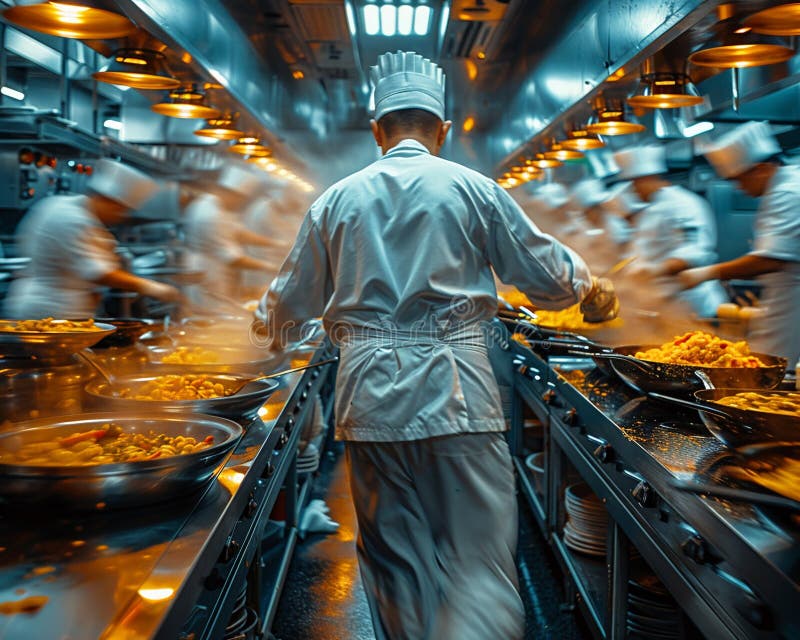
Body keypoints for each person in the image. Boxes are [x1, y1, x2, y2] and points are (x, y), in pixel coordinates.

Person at [256, 50, 619, 640]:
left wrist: (260, 329)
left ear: (377, 131)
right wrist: (589, 284)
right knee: (476, 561)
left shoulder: (336, 199)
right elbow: (547, 278)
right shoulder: (474, 189)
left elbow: (285, 307)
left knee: (395, 562)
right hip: (458, 391)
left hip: (369, 397)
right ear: (443, 131)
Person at [681, 121, 800, 365]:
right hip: (784, 302)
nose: (739, 188)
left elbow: (770, 259)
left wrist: (707, 273)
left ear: (761, 169)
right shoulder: (782, 188)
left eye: (740, 179)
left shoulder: (787, 193)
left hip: (792, 304)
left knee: (773, 372)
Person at [4, 158, 179, 319]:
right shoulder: (72, 219)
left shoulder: (61, 206)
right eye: (120, 210)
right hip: (50, 312)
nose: (120, 217)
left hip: (60, 310)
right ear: (107, 200)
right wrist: (155, 288)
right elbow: (100, 273)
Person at [613, 144, 727, 317]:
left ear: (649, 178)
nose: (633, 191)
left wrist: (654, 270)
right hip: (661, 307)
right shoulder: (649, 210)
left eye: (635, 184)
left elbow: (694, 253)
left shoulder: (684, 204)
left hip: (692, 307)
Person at [183, 164, 282, 304]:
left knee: (220, 306)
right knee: (212, 311)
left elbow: (239, 233)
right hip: (208, 271)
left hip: (210, 266)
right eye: (240, 199)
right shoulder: (212, 215)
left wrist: (275, 244)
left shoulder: (212, 202)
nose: (241, 203)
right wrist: (270, 267)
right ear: (231, 193)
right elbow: (234, 259)